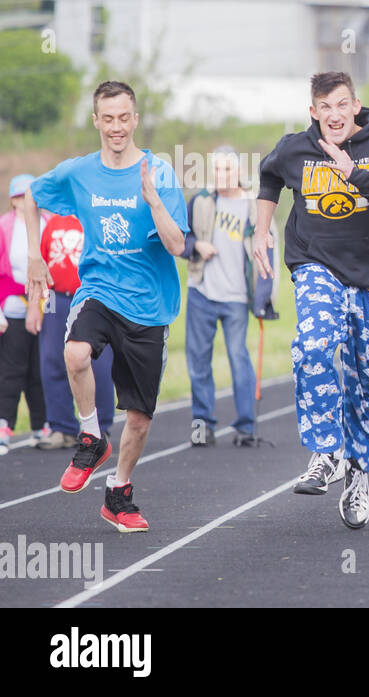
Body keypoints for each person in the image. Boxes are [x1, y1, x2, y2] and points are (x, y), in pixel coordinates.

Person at [252, 71, 369, 529]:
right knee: (312, 346)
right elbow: (269, 175)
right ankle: (325, 451)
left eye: (341, 105)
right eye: (324, 107)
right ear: (313, 111)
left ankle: (358, 471)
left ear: (355, 106)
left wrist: (355, 174)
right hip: (316, 265)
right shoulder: (295, 149)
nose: (333, 115)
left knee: (366, 379)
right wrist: (261, 228)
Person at [24, 80, 190, 533]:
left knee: (138, 417)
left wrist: (154, 200)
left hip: (149, 305)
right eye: (108, 118)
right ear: (96, 121)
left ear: (135, 119)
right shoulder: (79, 172)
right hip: (99, 289)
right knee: (74, 352)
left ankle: (119, 492)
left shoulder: (161, 172)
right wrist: (35, 256)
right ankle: (92, 435)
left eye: (124, 118)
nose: (116, 127)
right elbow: (31, 199)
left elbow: (177, 246)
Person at [182, 145, 277, 448]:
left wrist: (263, 298)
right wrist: (196, 246)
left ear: (238, 171)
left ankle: (246, 426)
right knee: (198, 361)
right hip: (202, 292)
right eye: (217, 170)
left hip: (236, 297)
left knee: (239, 358)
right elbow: (179, 236)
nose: (221, 176)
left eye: (227, 169)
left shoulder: (255, 206)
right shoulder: (200, 201)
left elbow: (268, 253)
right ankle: (202, 424)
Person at [29, 206, 117, 450]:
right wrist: (35, 306)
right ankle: (62, 427)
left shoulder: (99, 219)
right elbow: (40, 264)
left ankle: (100, 427)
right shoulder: (54, 223)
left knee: (97, 363)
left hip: (91, 297)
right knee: (52, 360)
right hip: (56, 297)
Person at [0, 175, 47, 454]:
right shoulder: (4, 227)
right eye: (20, 196)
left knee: (41, 369)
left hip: (45, 308)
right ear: (13, 200)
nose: (25, 201)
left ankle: (43, 425)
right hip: (13, 309)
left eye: (30, 196)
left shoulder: (49, 224)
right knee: (11, 370)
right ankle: (4, 423)